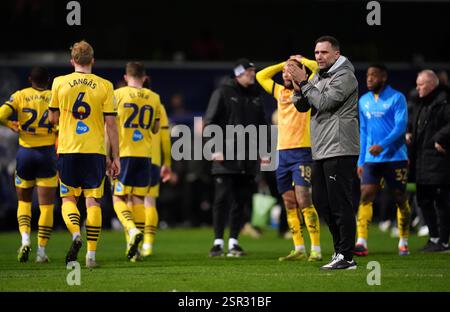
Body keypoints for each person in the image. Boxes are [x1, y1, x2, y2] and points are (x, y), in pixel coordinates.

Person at [287, 36, 359, 270]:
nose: (318, 57)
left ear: (336, 55)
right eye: (316, 52)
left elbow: (326, 102)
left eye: (324, 53)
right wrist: (299, 87)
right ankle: (339, 251)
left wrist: (305, 83)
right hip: (321, 149)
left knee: (340, 203)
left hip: (340, 147)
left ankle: (347, 256)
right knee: (322, 202)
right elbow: (303, 106)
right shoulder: (320, 75)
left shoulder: (345, 76)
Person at [48, 40, 120, 268]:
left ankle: (75, 234)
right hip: (95, 152)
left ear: (72, 61)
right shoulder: (106, 85)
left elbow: (52, 119)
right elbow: (111, 125)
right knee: (93, 203)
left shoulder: (59, 82)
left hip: (68, 149)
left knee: (68, 199)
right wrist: (115, 157)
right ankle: (91, 256)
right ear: (93, 61)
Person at [256, 57, 322, 262]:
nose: (285, 73)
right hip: (281, 154)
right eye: (284, 71)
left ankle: (317, 249)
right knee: (288, 201)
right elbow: (261, 75)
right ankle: (299, 248)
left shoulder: (308, 91)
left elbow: (317, 68)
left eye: (290, 71)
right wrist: (283, 64)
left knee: (304, 199)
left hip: (301, 152)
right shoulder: (279, 92)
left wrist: (301, 62)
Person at [204, 58, 268, 257]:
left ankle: (233, 242)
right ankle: (217, 243)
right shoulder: (222, 92)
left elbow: (262, 126)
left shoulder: (256, 95)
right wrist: (215, 149)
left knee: (241, 200)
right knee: (222, 199)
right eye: (250, 71)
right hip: (226, 156)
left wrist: (264, 151)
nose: (253, 74)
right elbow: (210, 121)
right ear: (239, 72)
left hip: (247, 158)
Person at [0, 67, 57, 263]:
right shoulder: (53, 96)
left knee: (23, 202)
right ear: (48, 80)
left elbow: (1, 115)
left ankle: (25, 240)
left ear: (30, 79)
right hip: (47, 153)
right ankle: (41, 252)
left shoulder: (20, 95)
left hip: (25, 153)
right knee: (46, 207)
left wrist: (11, 125)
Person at [354, 64, 411, 257]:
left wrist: (383, 145)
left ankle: (403, 241)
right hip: (371, 159)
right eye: (368, 75)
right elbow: (363, 131)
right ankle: (361, 241)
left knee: (400, 198)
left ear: (383, 77)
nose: (369, 78)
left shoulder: (397, 98)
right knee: (366, 196)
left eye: (373, 75)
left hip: (395, 157)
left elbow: (401, 127)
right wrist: (361, 159)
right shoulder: (364, 101)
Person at [112, 62, 161, 260]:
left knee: (118, 198)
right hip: (145, 155)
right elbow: (156, 128)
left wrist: (109, 156)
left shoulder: (118, 95)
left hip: (124, 153)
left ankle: (131, 230)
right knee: (139, 200)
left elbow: (111, 128)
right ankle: (136, 251)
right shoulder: (155, 97)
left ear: (126, 76)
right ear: (145, 77)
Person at [407, 70, 450, 252]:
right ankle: (433, 238)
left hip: (438, 161)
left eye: (421, 84)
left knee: (441, 201)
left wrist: (438, 138)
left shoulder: (443, 103)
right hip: (421, 161)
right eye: (417, 84)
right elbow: (414, 124)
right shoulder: (420, 103)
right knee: (424, 200)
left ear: (432, 85)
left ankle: (443, 241)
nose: (417, 88)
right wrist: (409, 133)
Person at [142, 100, 172, 257]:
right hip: (153, 161)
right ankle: (147, 244)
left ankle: (132, 239)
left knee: (128, 201)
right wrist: (167, 163)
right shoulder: (158, 105)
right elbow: (165, 138)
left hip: (128, 157)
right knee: (149, 201)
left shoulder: (121, 98)